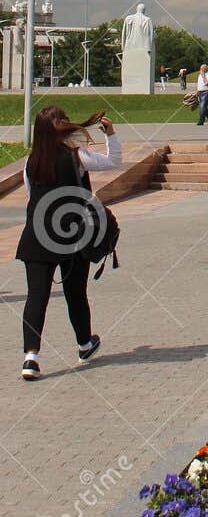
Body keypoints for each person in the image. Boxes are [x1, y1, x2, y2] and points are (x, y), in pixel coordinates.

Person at [17, 106, 121, 381]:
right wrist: (111, 134)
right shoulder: (76, 156)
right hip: (71, 237)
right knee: (75, 293)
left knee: (36, 297)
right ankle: (84, 344)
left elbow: (33, 197)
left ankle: (31, 357)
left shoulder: (30, 163)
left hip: (37, 236)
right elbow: (113, 161)